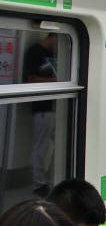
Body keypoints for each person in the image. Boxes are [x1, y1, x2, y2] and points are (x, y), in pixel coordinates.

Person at [24, 32, 58, 197]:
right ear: (53, 37)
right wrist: (55, 83)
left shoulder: (55, 54)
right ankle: (39, 183)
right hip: (42, 106)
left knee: (58, 144)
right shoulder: (34, 52)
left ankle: (54, 178)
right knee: (41, 145)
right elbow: (30, 80)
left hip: (58, 106)